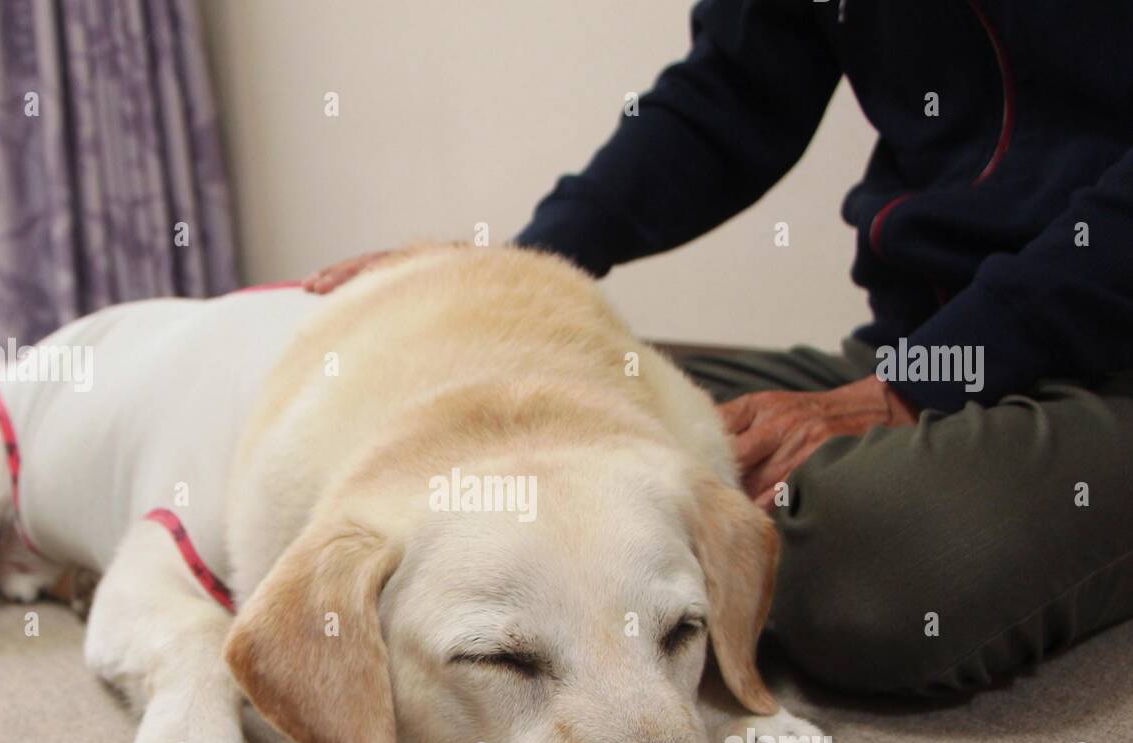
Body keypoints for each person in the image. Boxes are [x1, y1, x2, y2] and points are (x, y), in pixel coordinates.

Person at [302, 0, 1133, 697]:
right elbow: (733, 92)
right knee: (595, 427)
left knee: (870, 565)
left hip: (1103, 362)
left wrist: (910, 391)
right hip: (904, 346)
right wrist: (506, 268)